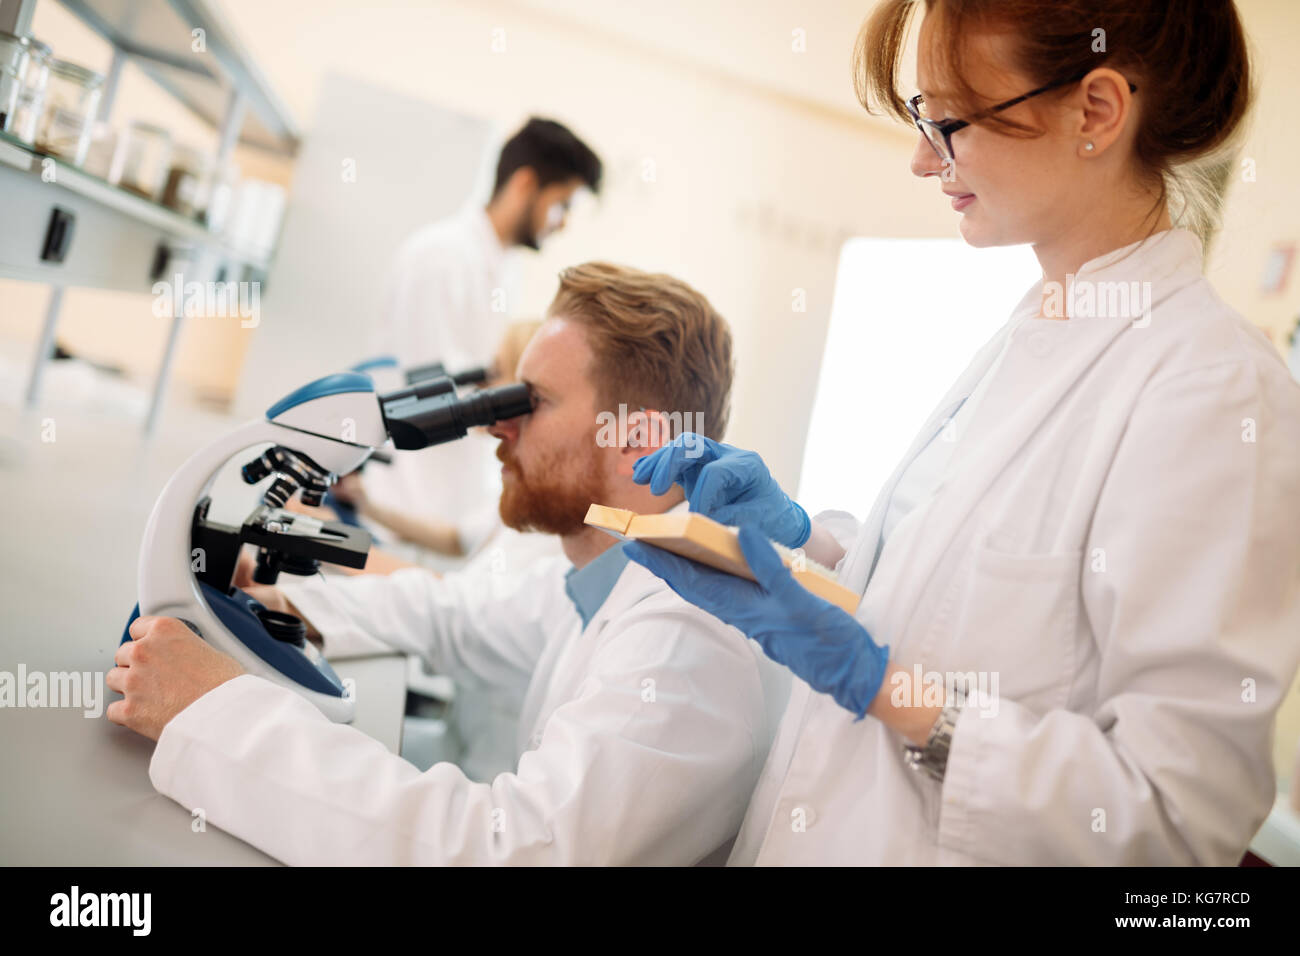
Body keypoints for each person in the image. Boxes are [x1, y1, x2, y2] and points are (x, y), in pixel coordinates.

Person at [626, 0, 1300, 865]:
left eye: (948, 123)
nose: (920, 158)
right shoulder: (1038, 329)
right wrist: (809, 541)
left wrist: (880, 687)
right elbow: (963, 601)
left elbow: (1172, 819)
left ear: (1095, 111)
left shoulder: (1214, 391)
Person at [108, 262, 790, 865]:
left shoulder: (683, 639)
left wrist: (217, 714)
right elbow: (455, 617)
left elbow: (501, 850)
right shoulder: (618, 578)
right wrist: (288, 605)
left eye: (532, 403)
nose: (499, 425)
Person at [364, 118, 603, 562]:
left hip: (447, 512)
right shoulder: (441, 259)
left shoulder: (503, 266)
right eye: (561, 204)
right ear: (525, 183)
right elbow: (426, 396)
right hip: (402, 512)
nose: (564, 222)